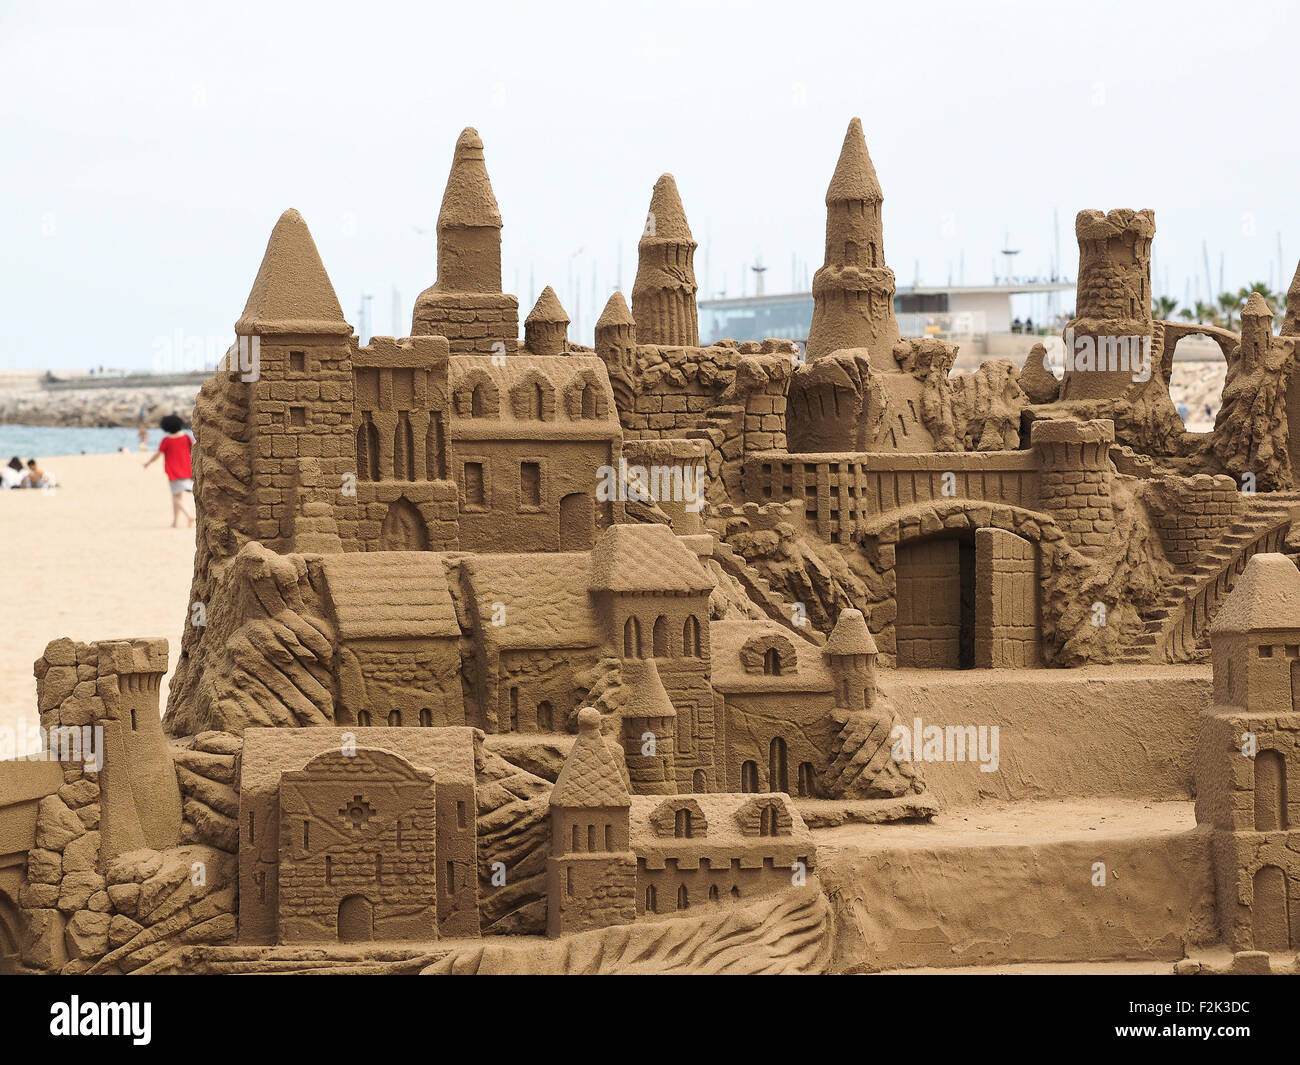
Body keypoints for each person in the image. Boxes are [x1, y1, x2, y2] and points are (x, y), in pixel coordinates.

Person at [143, 413, 195, 527]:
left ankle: (189, 515)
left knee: (176, 497)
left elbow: (158, 454)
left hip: (174, 472)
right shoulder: (186, 437)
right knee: (177, 496)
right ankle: (175, 522)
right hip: (187, 470)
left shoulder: (166, 440)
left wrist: (148, 463)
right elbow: (194, 449)